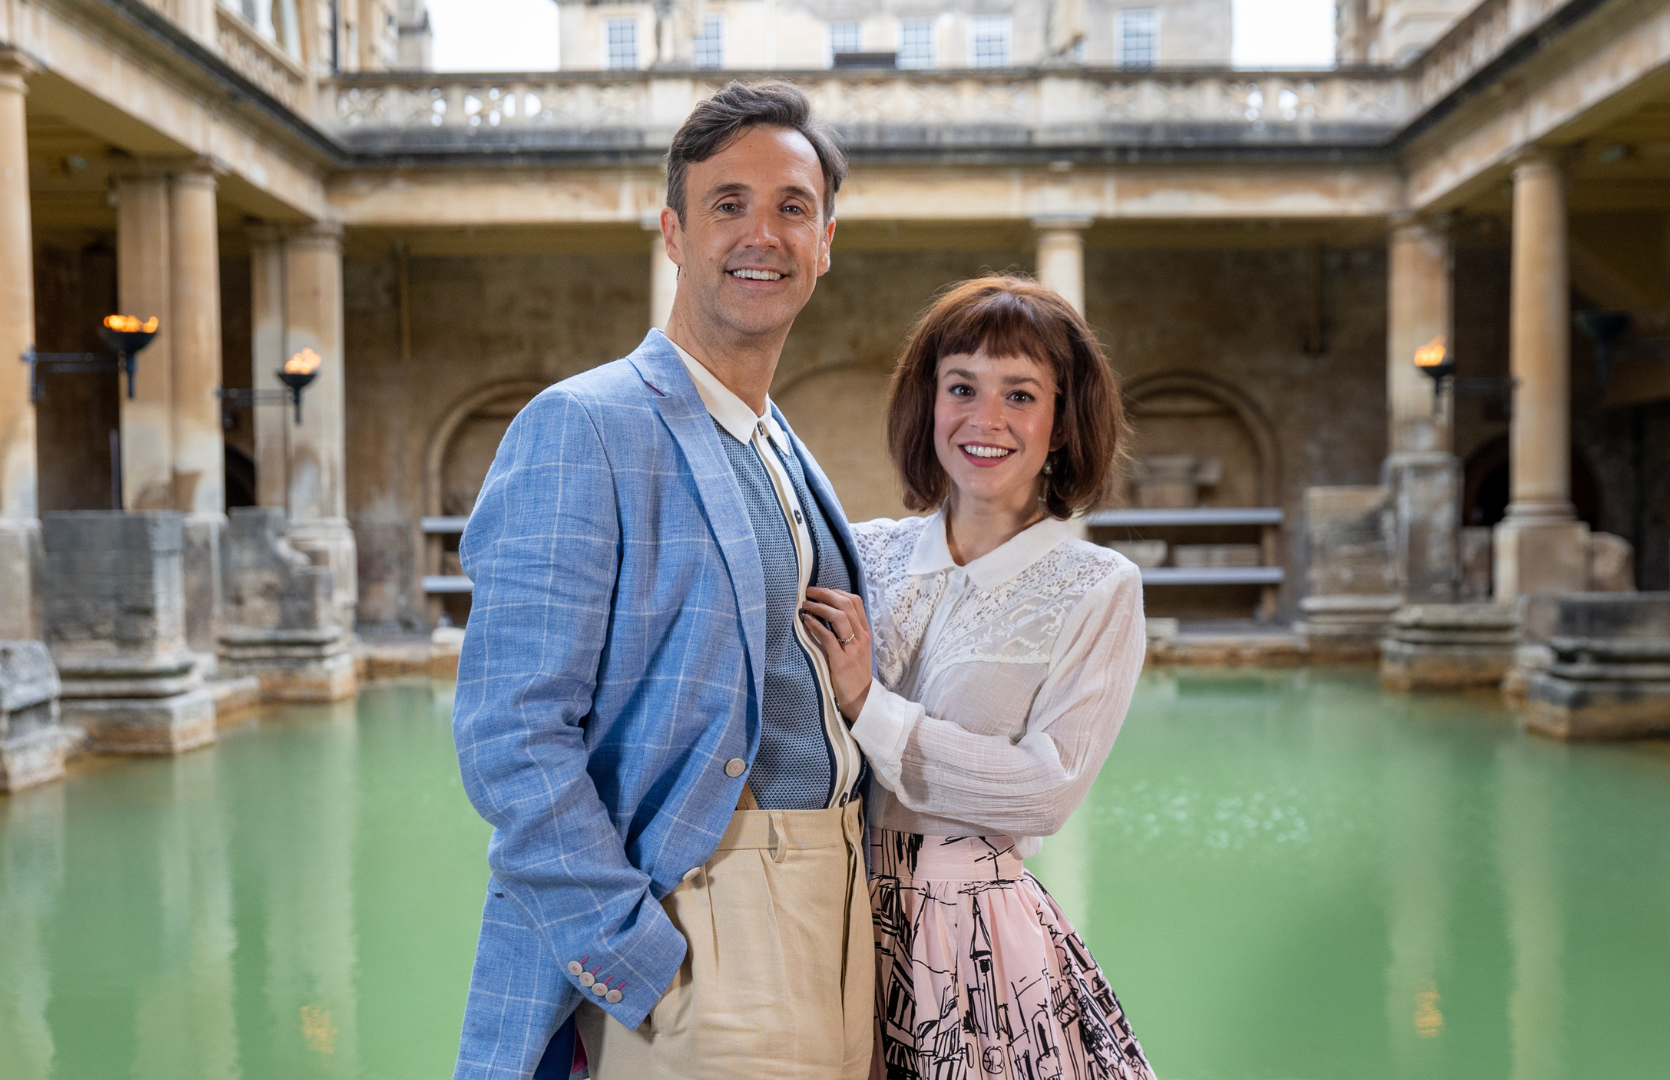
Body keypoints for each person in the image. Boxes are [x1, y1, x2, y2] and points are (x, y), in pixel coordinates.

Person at [451, 81, 874, 1080]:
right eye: (728, 203)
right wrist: (635, 954)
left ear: (824, 243)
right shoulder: (583, 425)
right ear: (674, 233)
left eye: (792, 207)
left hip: (840, 910)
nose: (762, 233)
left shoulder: (777, 441)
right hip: (701, 922)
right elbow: (510, 732)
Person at [800, 277, 1157, 1080]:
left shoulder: (1099, 586)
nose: (984, 419)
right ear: (928, 405)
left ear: (1063, 422)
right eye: (961, 388)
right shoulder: (861, 551)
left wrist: (867, 705)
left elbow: (1043, 791)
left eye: (1019, 395)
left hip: (971, 947)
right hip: (828, 918)